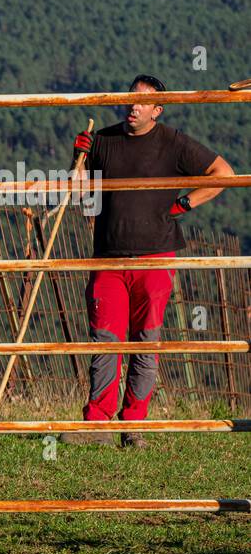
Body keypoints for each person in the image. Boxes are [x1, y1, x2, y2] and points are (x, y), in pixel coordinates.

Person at [61, 75, 234, 447]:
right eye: (130, 99)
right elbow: (74, 191)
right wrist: (77, 155)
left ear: (158, 109)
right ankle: (98, 424)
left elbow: (224, 175)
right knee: (105, 339)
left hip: (156, 257)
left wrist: (184, 203)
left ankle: (133, 425)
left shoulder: (173, 143)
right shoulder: (102, 141)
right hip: (107, 257)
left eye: (143, 102)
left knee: (146, 341)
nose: (133, 106)